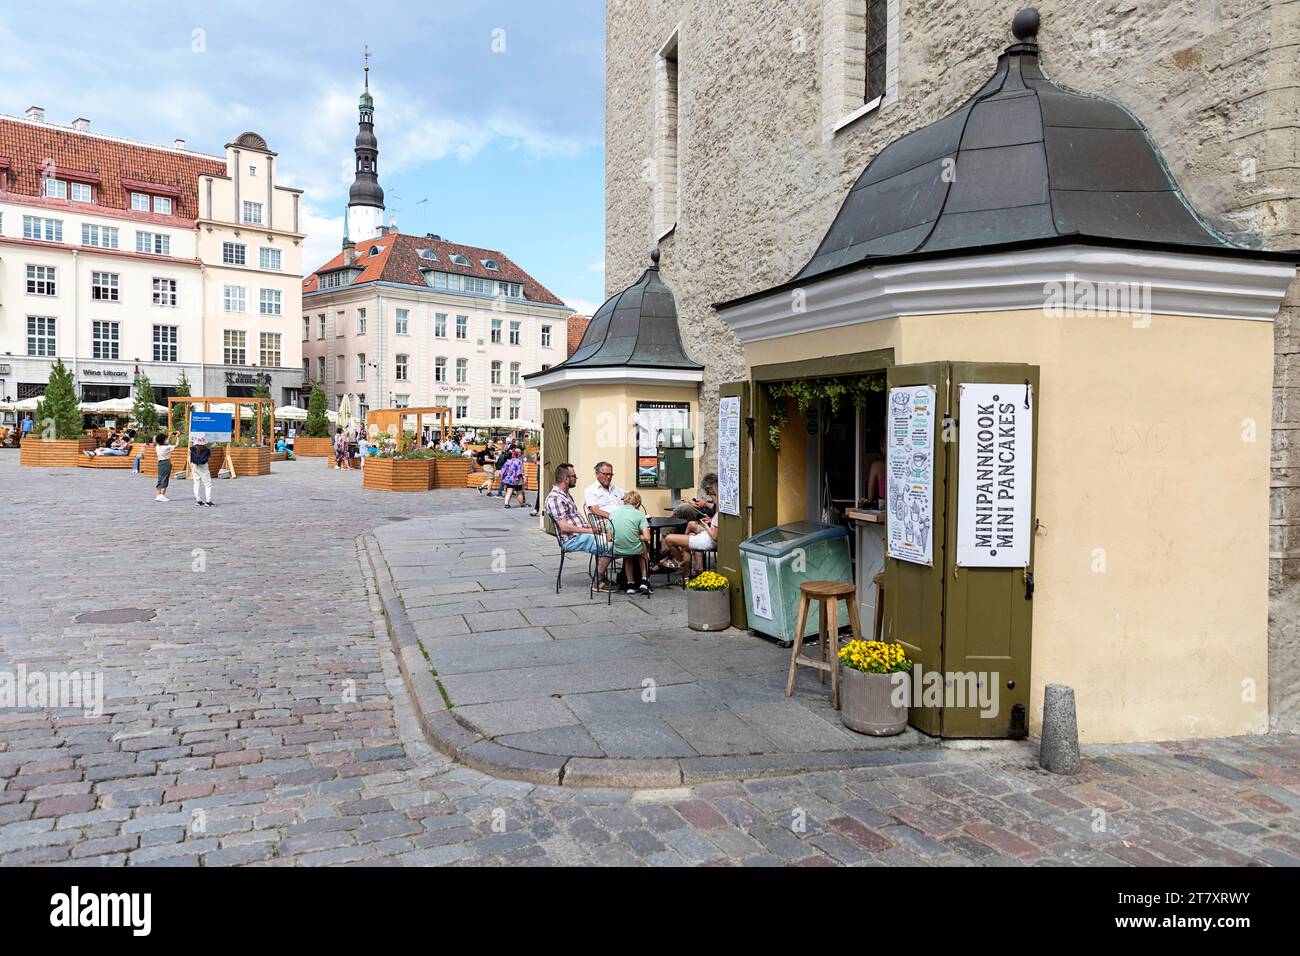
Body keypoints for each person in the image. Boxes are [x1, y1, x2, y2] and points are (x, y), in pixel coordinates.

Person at [545, 462, 612, 587]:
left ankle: (620, 578)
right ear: (566, 479)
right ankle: (598, 582)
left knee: (617, 535)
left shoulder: (564, 495)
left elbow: (574, 520)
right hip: (571, 539)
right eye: (574, 476)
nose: (576, 478)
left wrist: (590, 527)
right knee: (610, 546)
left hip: (580, 533)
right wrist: (589, 531)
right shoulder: (555, 498)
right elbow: (564, 526)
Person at [609, 491, 652, 595]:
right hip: (635, 548)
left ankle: (630, 584)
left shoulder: (613, 514)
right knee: (644, 548)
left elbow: (609, 538)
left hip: (617, 549)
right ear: (638, 504)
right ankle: (644, 579)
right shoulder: (639, 514)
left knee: (627, 555)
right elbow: (647, 537)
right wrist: (636, 536)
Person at [665, 511, 718, 579]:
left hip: (706, 541)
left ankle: (680, 561)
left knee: (668, 538)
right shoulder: (719, 513)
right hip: (705, 536)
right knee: (690, 535)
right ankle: (685, 576)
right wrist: (710, 520)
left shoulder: (719, 514)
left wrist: (706, 526)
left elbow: (715, 537)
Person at [153, 430, 178, 502]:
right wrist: (177, 437)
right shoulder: (167, 447)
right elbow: (176, 445)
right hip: (166, 463)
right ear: (164, 441)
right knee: (165, 479)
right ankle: (162, 495)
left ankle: (159, 494)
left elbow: (165, 442)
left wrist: (169, 437)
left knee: (160, 478)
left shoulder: (158, 447)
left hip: (160, 464)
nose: (167, 440)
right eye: (166, 439)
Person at [190, 435, 214, 507]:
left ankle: (198, 500)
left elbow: (190, 458)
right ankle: (208, 501)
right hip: (203, 467)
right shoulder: (206, 450)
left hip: (194, 467)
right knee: (208, 484)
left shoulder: (192, 449)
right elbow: (209, 459)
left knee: (196, 484)